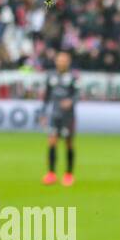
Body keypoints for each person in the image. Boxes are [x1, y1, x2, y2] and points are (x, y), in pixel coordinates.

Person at [41, 51, 78, 186]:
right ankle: (51, 173)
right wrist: (43, 113)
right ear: (56, 61)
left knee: (68, 143)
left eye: (64, 60)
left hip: (68, 116)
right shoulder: (51, 76)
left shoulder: (73, 77)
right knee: (52, 142)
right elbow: (46, 97)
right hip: (54, 115)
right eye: (59, 60)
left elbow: (77, 95)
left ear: (68, 62)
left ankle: (69, 174)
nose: (61, 62)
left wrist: (70, 101)